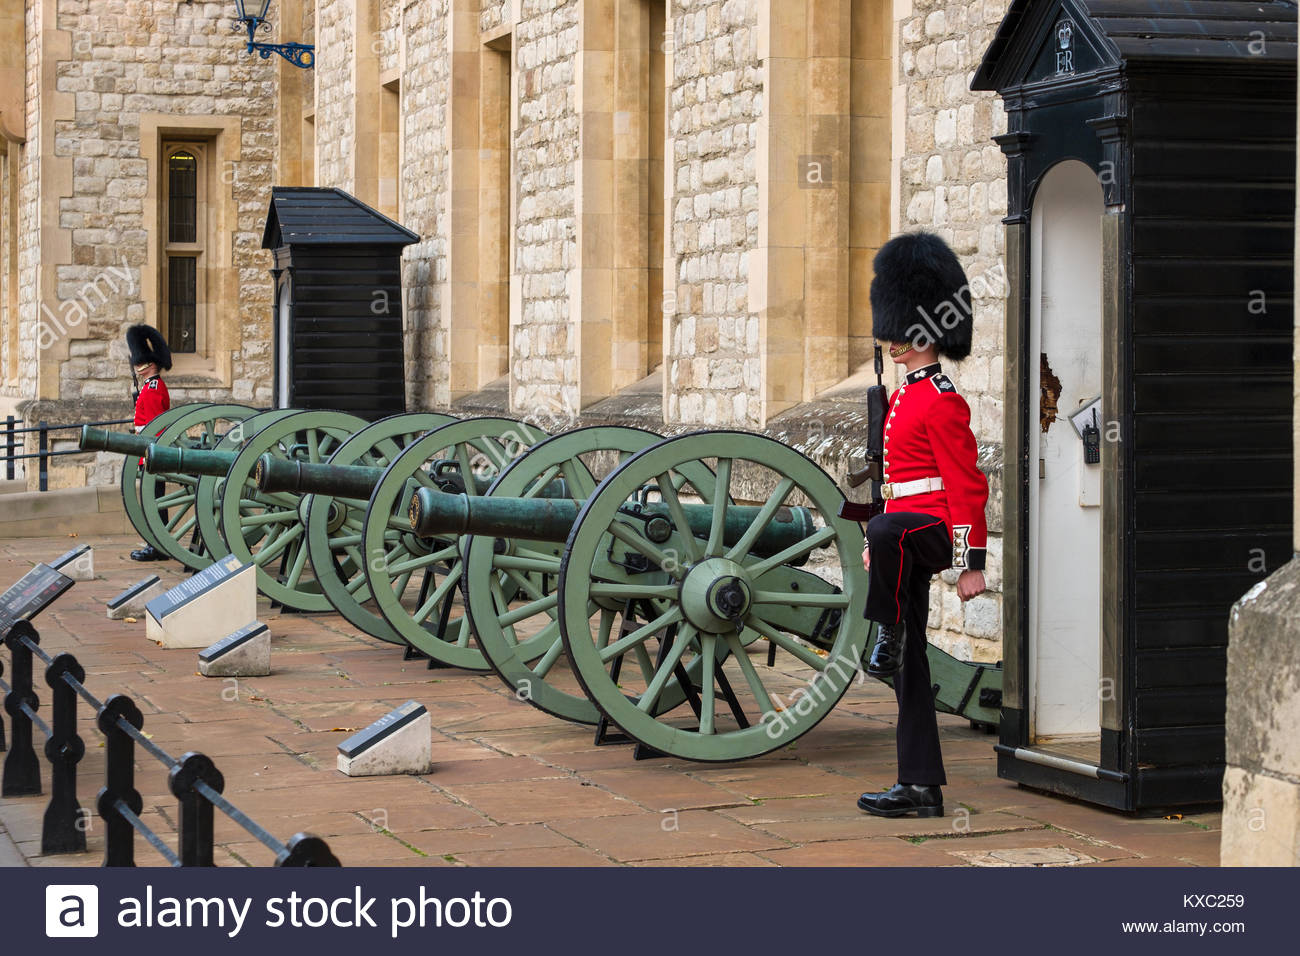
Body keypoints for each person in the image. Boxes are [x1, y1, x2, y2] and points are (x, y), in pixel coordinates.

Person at [856, 232, 989, 819]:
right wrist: (879, 549)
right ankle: (920, 786)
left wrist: (971, 563)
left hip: (931, 531)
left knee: (884, 534)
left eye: (897, 333)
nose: (889, 342)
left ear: (917, 337)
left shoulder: (941, 399)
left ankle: (882, 634)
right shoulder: (904, 396)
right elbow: (890, 486)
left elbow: (966, 485)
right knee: (913, 665)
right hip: (902, 534)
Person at [126, 324, 172, 562]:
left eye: (140, 361)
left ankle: (157, 545)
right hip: (147, 452)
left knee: (154, 502)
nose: (137, 366)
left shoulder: (153, 389)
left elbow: (155, 427)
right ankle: (156, 543)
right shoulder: (149, 388)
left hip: (152, 452)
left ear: (151, 364)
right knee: (152, 500)